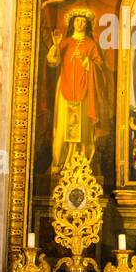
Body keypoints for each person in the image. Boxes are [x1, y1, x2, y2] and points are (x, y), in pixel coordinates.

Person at [47, 11, 107, 174]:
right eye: (77, 21)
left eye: (83, 21)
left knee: (83, 125)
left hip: (85, 89)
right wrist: (56, 45)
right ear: (72, 23)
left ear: (87, 25)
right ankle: (61, 160)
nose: (80, 24)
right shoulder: (65, 42)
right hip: (65, 87)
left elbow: (100, 67)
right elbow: (53, 61)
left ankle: (82, 160)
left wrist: (87, 62)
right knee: (63, 124)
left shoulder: (91, 44)